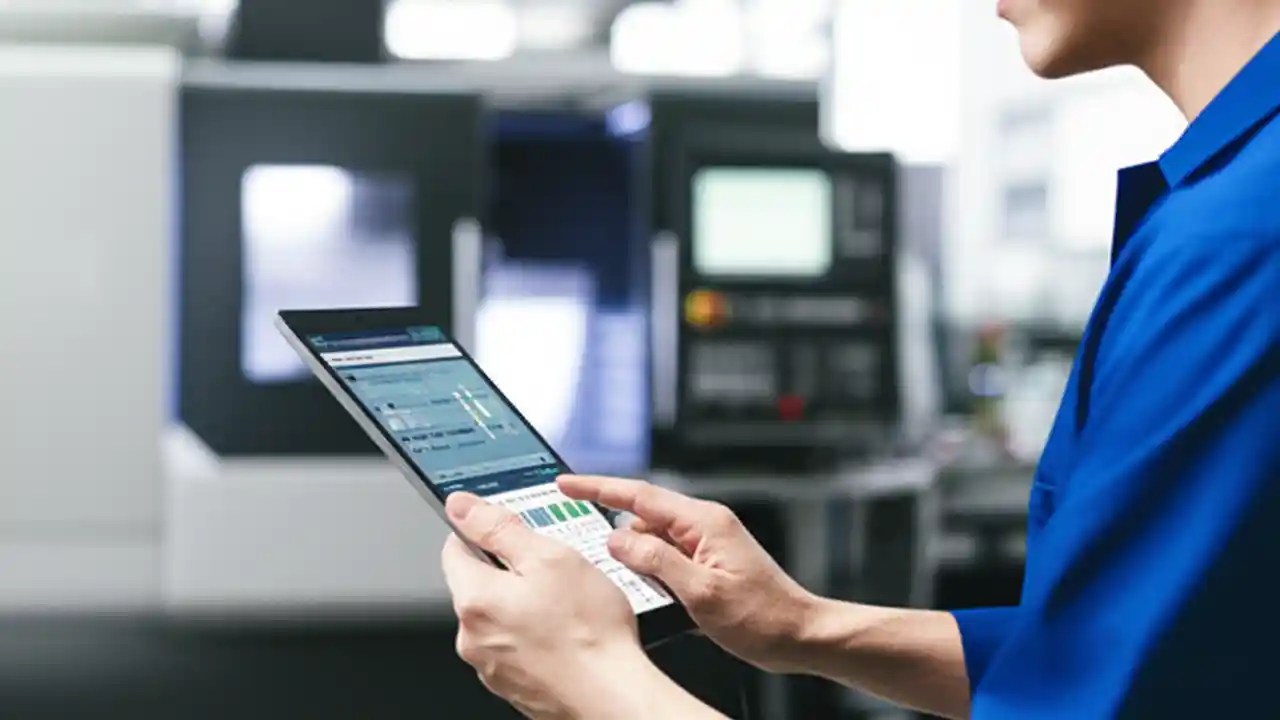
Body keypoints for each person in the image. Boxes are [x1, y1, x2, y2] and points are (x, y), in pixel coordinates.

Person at [441, 0, 1280, 716]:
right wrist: (802, 627)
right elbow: (1155, 659)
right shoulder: (1236, 199)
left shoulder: (1240, 233)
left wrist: (594, 677)